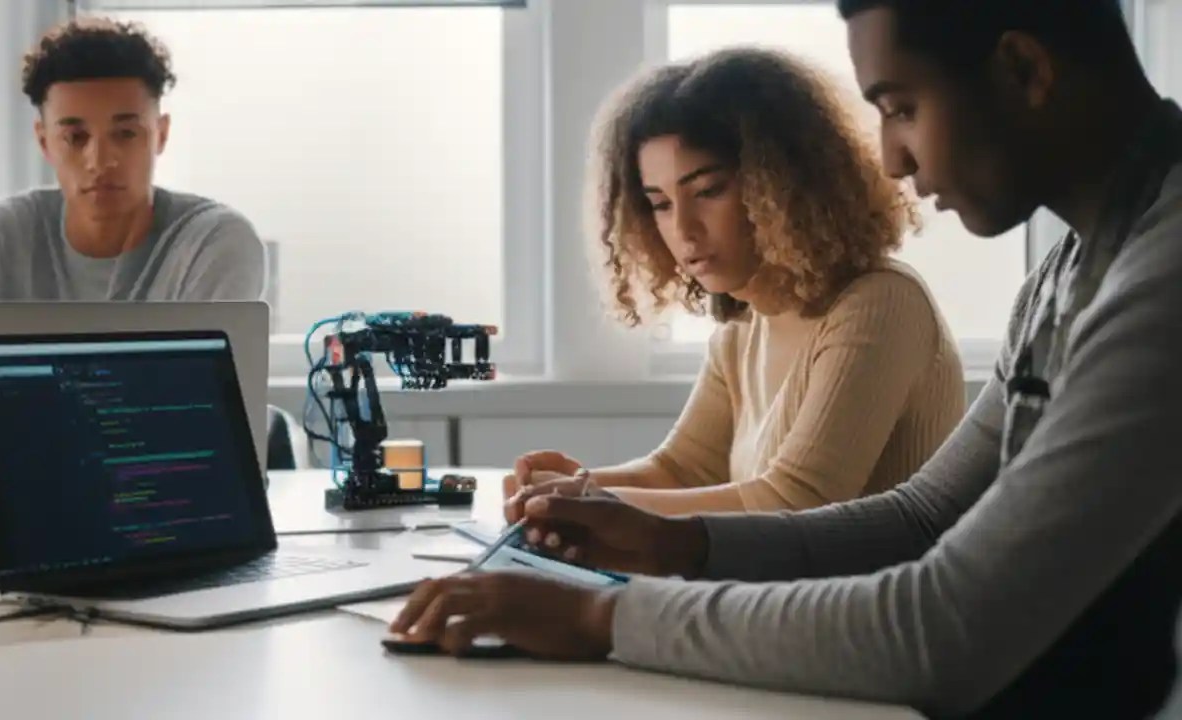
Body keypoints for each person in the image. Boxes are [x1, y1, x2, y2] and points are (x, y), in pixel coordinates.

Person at [391, 1, 1182, 717]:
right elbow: (924, 516)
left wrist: (602, 620)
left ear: (1023, 69)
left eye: (902, 108)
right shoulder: (1066, 272)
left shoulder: (1165, 272)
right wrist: (676, 544)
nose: (893, 160)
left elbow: (946, 627)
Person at [507, 48, 964, 517]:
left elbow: (794, 504)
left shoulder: (880, 304)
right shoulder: (742, 322)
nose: (683, 230)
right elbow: (681, 471)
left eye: (707, 191)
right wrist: (569, 486)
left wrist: (586, 504)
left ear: (786, 185)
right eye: (660, 204)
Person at [0, 17, 266, 419]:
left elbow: (207, 409)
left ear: (160, 134)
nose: (100, 161)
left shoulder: (212, 243)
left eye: (126, 134)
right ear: (45, 142)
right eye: (76, 138)